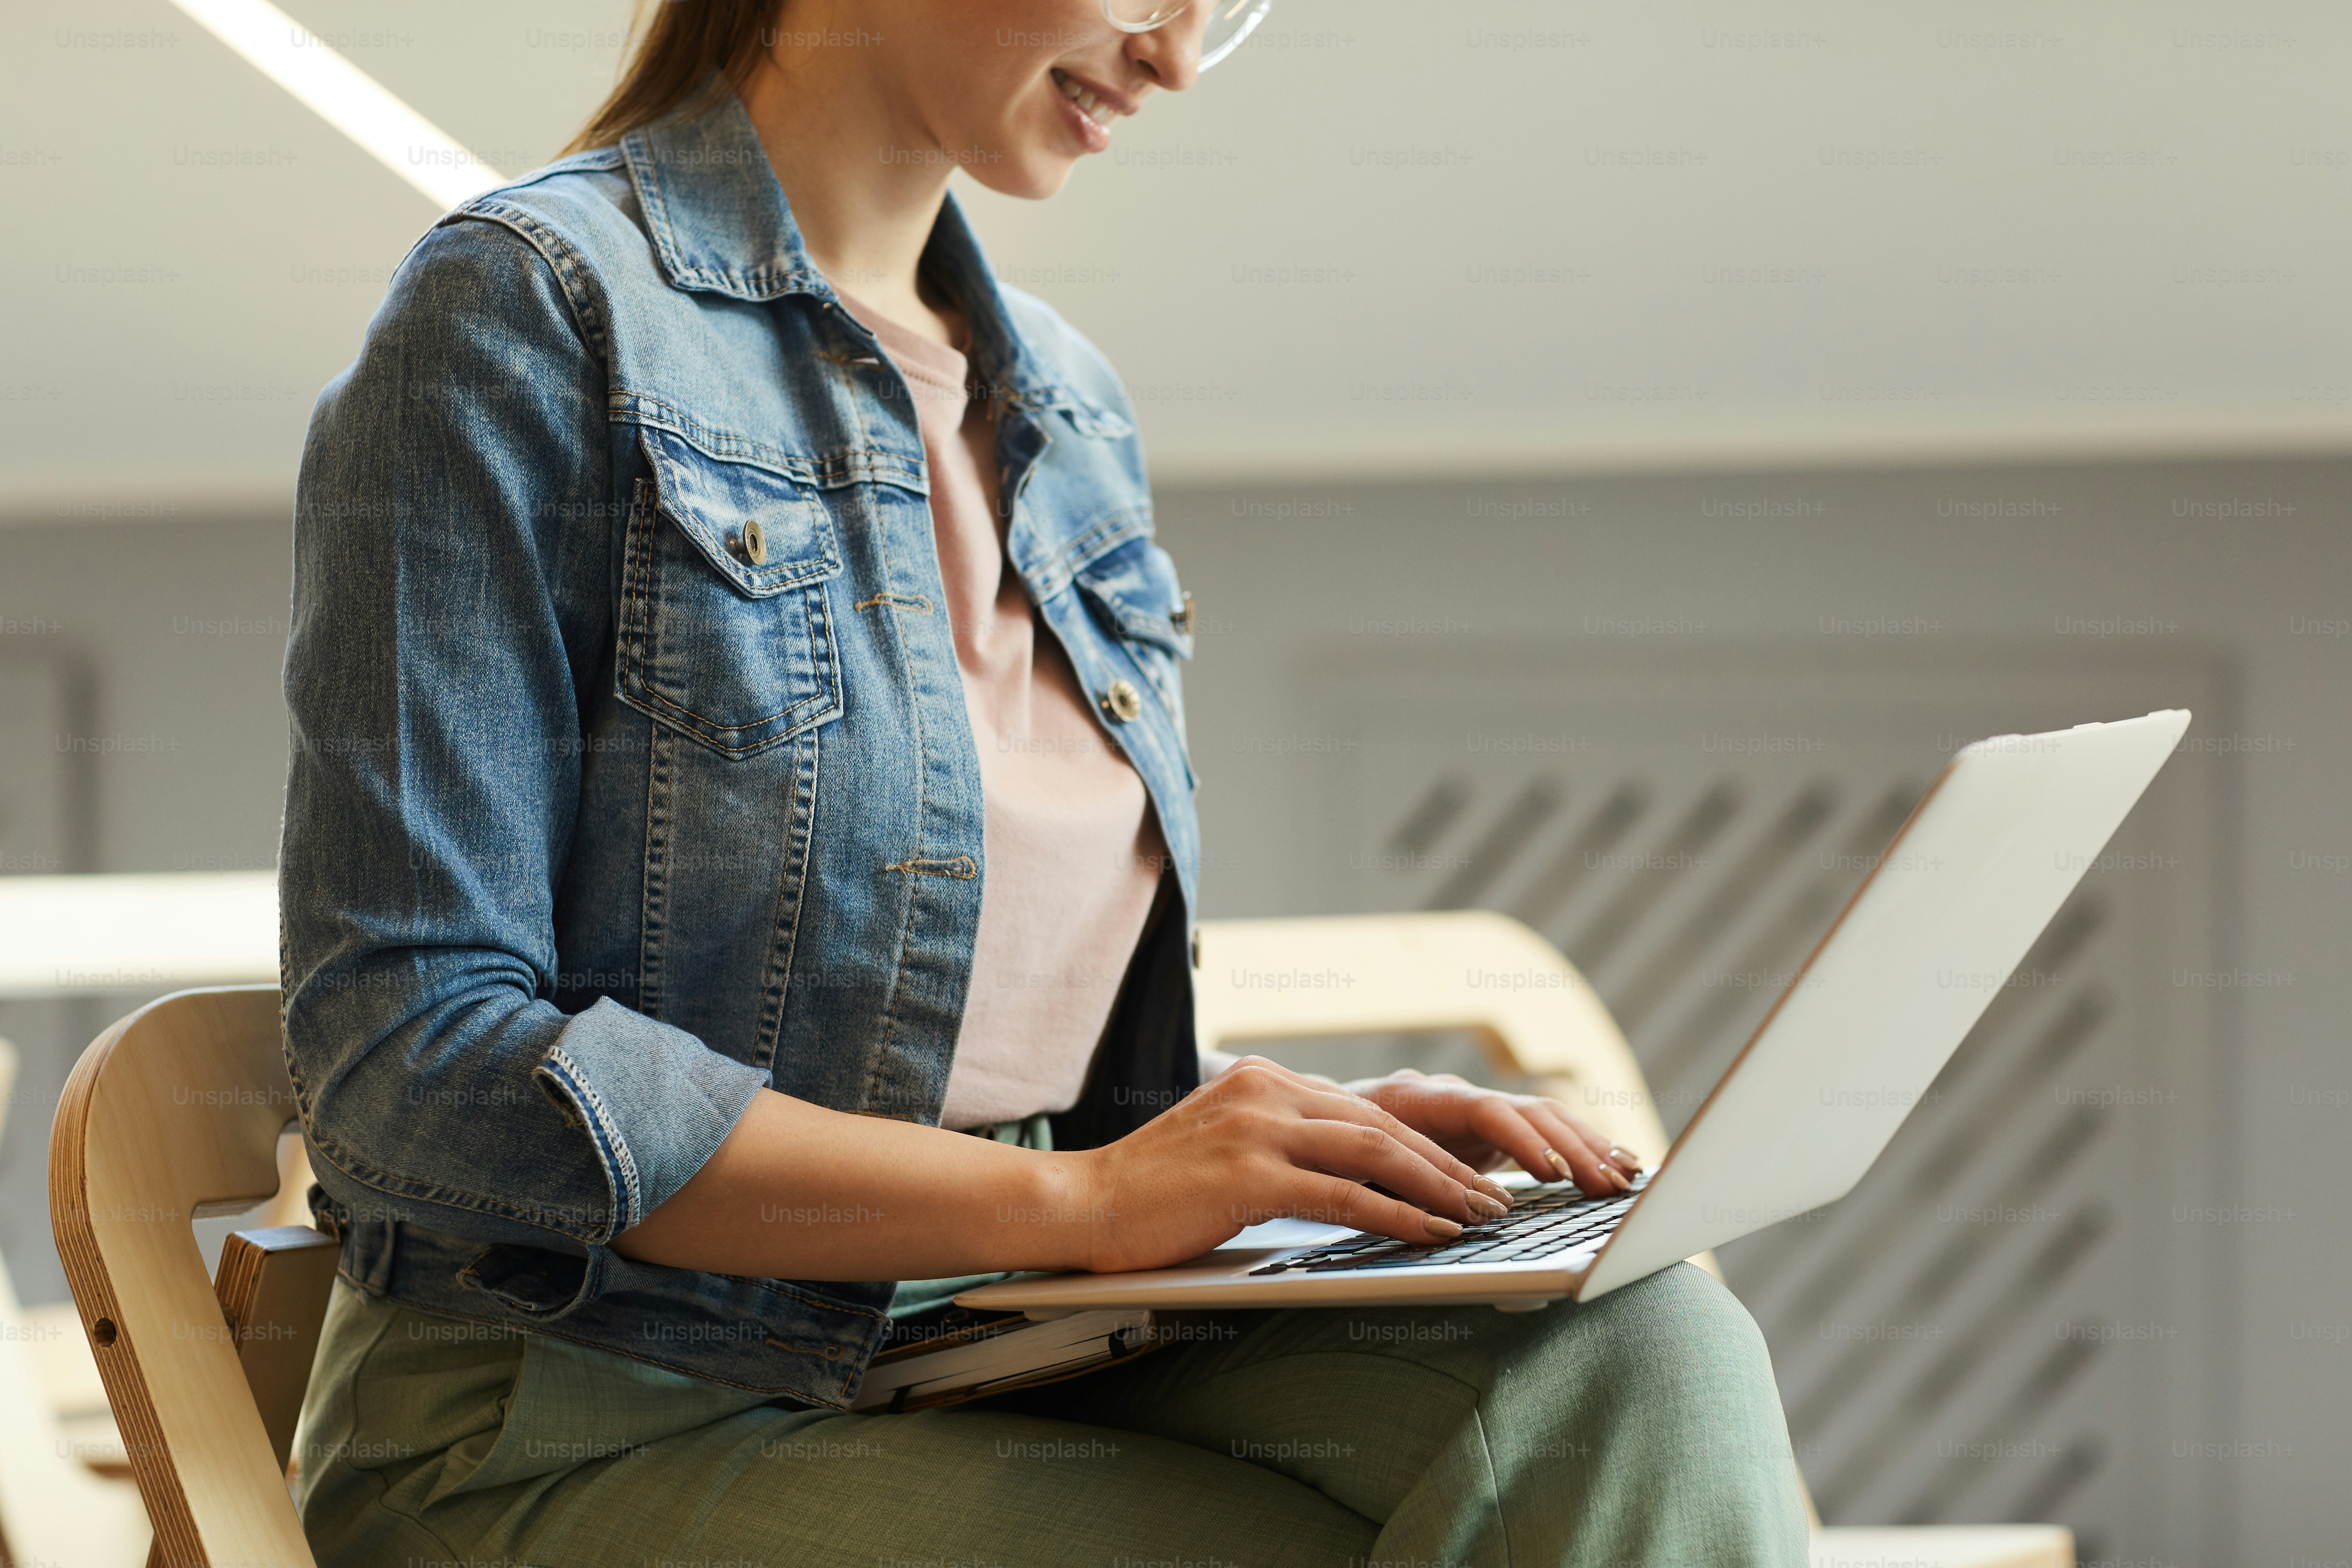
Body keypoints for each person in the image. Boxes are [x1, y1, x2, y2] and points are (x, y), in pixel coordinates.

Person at [279, 1, 1810, 1562]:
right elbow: (409, 1062)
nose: (1174, 57)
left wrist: (1256, 1161)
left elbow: (966, 1019)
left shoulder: (1067, 407)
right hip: (589, 1397)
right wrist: (1088, 1207)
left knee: (1650, 1360)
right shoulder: (525, 316)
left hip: (1010, 1326)